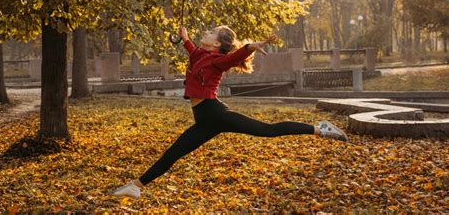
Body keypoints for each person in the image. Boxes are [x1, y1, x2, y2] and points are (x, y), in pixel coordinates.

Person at [110, 26, 348, 199]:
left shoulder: (217, 60)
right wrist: (185, 39)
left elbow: (233, 57)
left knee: (267, 130)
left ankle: (320, 129)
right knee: (174, 153)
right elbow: (193, 52)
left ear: (216, 44)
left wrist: (249, 47)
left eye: (212, 32)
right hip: (204, 120)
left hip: (214, 114)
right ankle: (136, 186)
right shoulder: (201, 54)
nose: (207, 32)